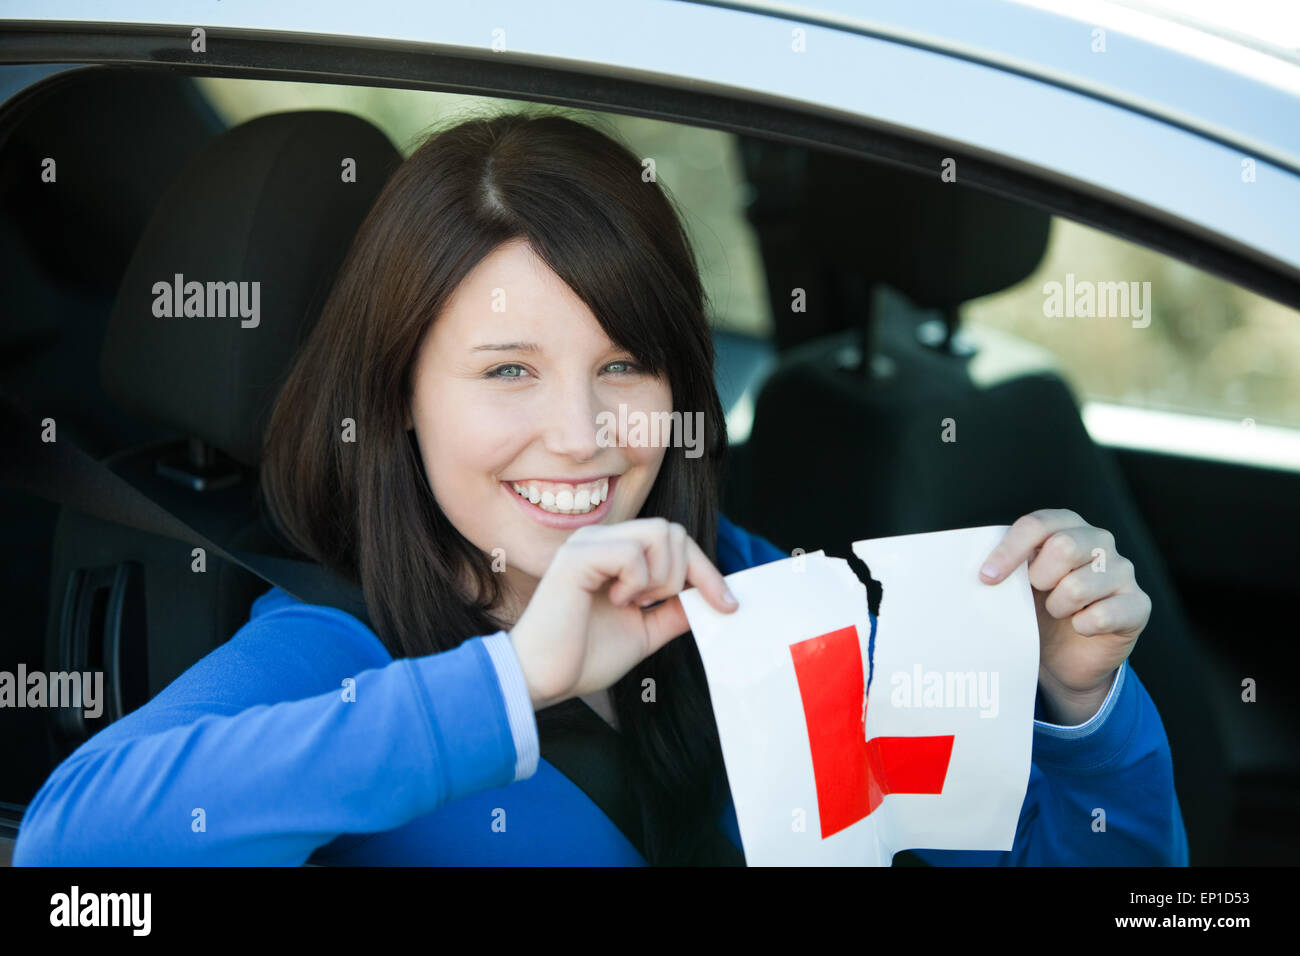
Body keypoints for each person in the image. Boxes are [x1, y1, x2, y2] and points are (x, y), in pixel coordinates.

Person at [12, 110, 1186, 866]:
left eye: (623, 363)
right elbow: (78, 850)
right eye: (509, 371)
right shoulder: (334, 648)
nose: (579, 436)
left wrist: (1077, 714)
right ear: (403, 394)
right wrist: (515, 683)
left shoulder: (763, 595)